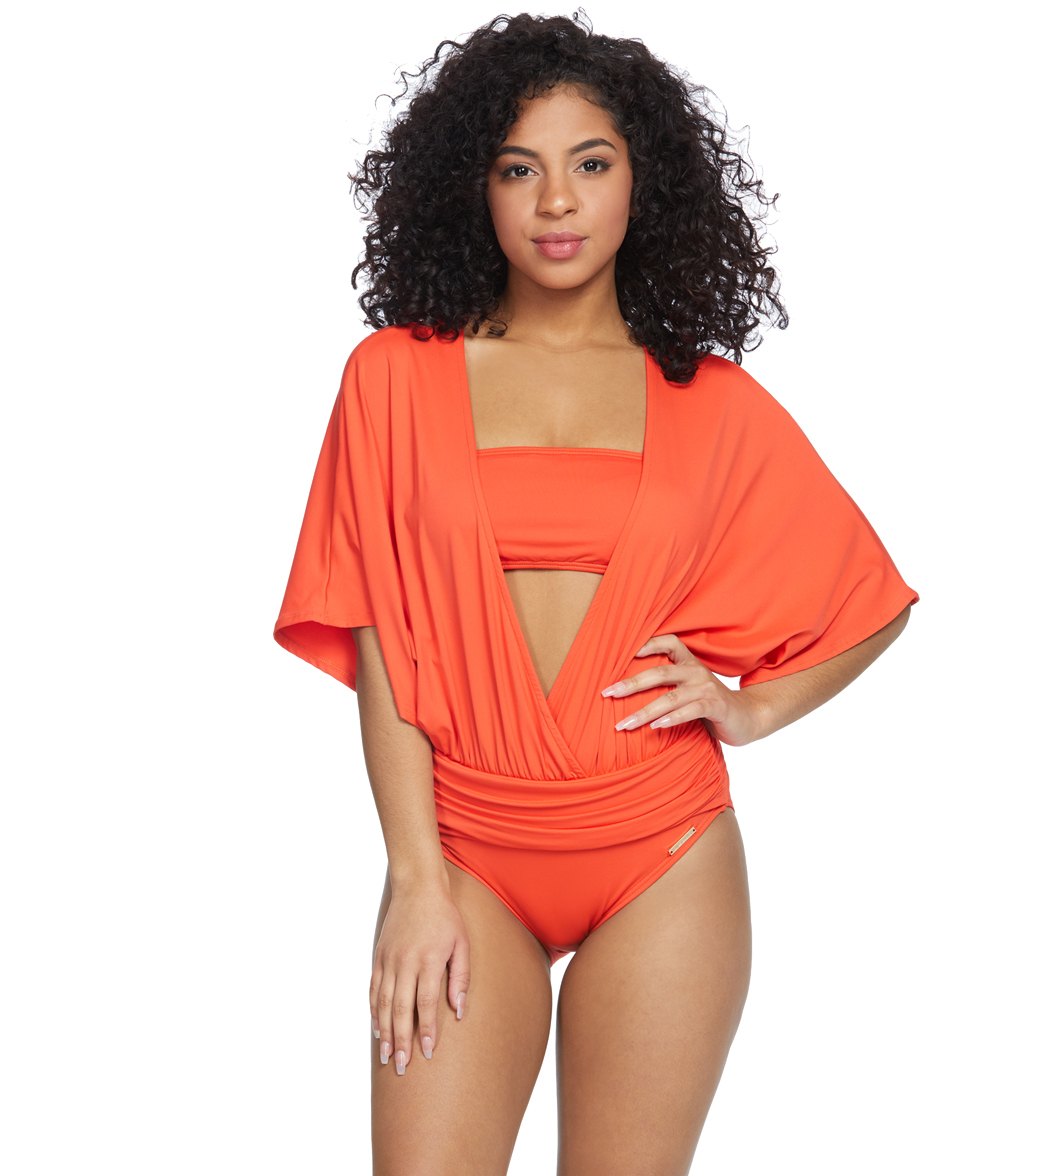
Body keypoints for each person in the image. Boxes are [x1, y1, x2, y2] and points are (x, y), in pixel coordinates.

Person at [272, 12, 918, 1173]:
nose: (557, 201)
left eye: (591, 163)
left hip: (663, 856)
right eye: (519, 169)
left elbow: (869, 600)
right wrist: (413, 878)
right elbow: (380, 647)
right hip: (464, 853)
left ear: (642, 181)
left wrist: (752, 709)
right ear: (473, 187)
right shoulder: (390, 381)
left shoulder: (711, 402)